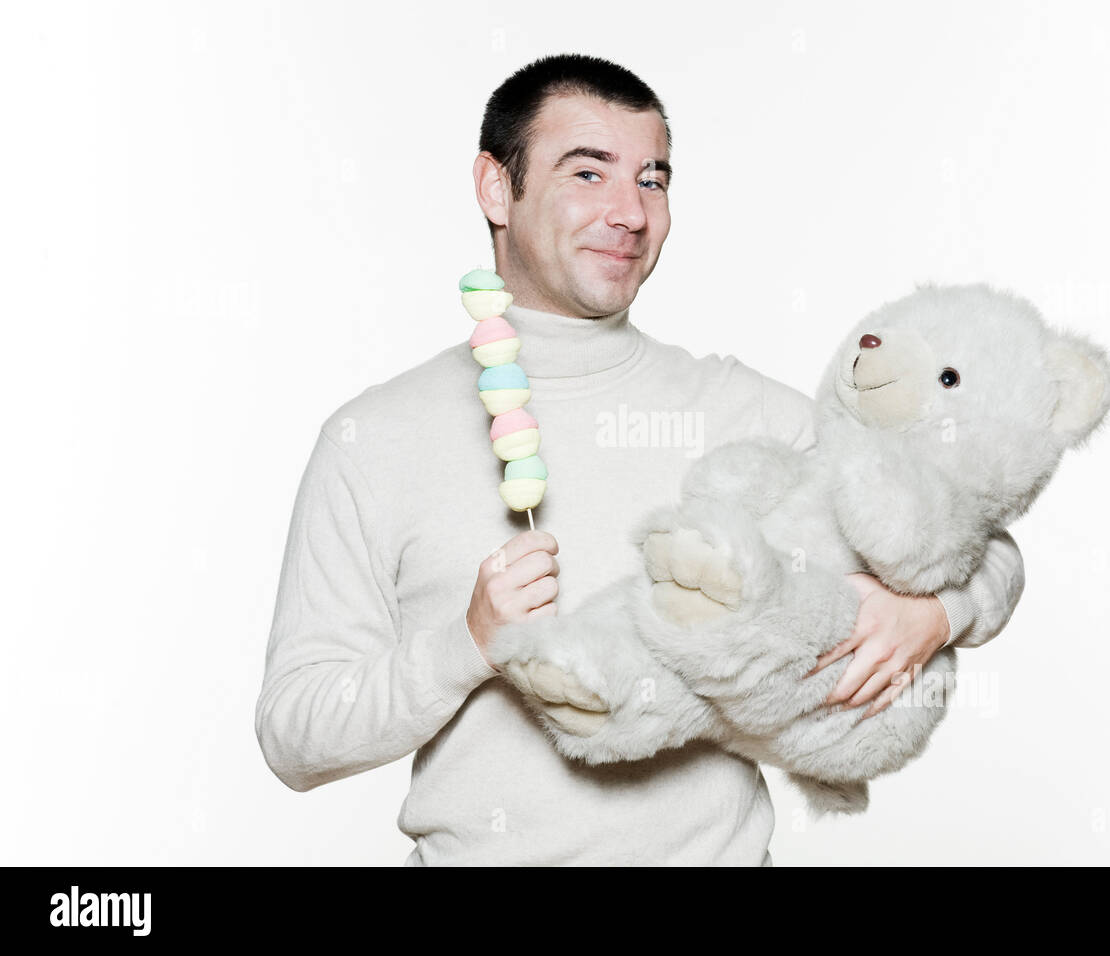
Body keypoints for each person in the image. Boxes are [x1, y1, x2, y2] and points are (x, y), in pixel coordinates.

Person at [255, 53, 1025, 866]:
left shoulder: (739, 410)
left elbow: (985, 546)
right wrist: (467, 644)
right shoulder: (374, 438)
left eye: (652, 179)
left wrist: (933, 615)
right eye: (588, 173)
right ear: (494, 188)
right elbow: (294, 734)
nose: (629, 212)